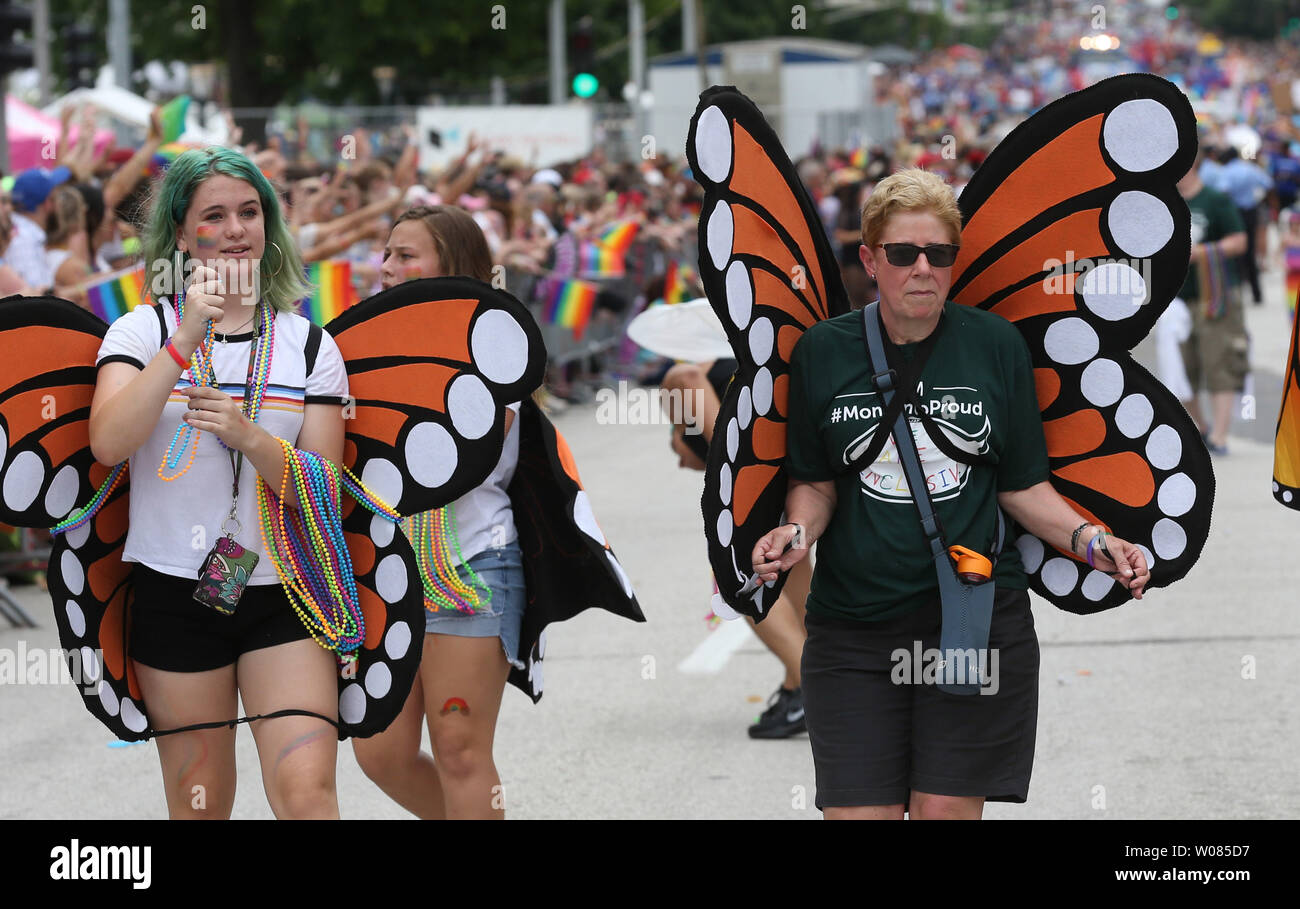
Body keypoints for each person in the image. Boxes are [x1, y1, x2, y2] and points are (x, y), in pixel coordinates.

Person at [750, 169, 1150, 820]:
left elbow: (1024, 485)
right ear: (871, 258)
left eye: (939, 255)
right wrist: (794, 534)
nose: (923, 269)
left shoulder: (994, 344)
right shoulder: (824, 351)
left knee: (942, 812)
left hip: (972, 625)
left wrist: (1093, 540)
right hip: (853, 630)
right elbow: (815, 482)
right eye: (904, 254)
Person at [89, 147, 348, 819]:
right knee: (201, 804)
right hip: (175, 596)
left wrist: (250, 436)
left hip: (284, 594)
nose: (237, 229)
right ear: (180, 234)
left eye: (250, 211)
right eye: (214, 215)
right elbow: (108, 440)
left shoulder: (309, 345)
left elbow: (322, 492)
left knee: (308, 793)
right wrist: (184, 340)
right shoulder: (141, 330)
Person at [352, 205, 527, 819]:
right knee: (379, 751)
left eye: (407, 255)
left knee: (458, 749)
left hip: (472, 564)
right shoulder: (358, 348)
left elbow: (467, 459)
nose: (389, 267)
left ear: (450, 264)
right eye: (388, 254)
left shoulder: (493, 346)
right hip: (383, 573)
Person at [661, 357, 812, 739]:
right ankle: (801, 685)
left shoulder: (689, 375)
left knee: (745, 577)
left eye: (675, 444)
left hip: (763, 473)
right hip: (800, 465)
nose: (678, 461)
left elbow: (684, 377)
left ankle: (813, 691)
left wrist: (733, 463)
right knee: (793, 570)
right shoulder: (745, 356)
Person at [1170, 154, 1249, 456]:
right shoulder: (1164, 202)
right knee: (1180, 368)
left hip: (1214, 297)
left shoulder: (1215, 199)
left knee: (1220, 364)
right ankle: (1201, 426)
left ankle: (1220, 434)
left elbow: (1239, 241)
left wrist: (1200, 252)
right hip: (1175, 299)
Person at [7, 166, 72, 291]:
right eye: (56, 197)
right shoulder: (24, 237)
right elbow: (35, 301)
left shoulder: (22, 229)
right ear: (48, 203)